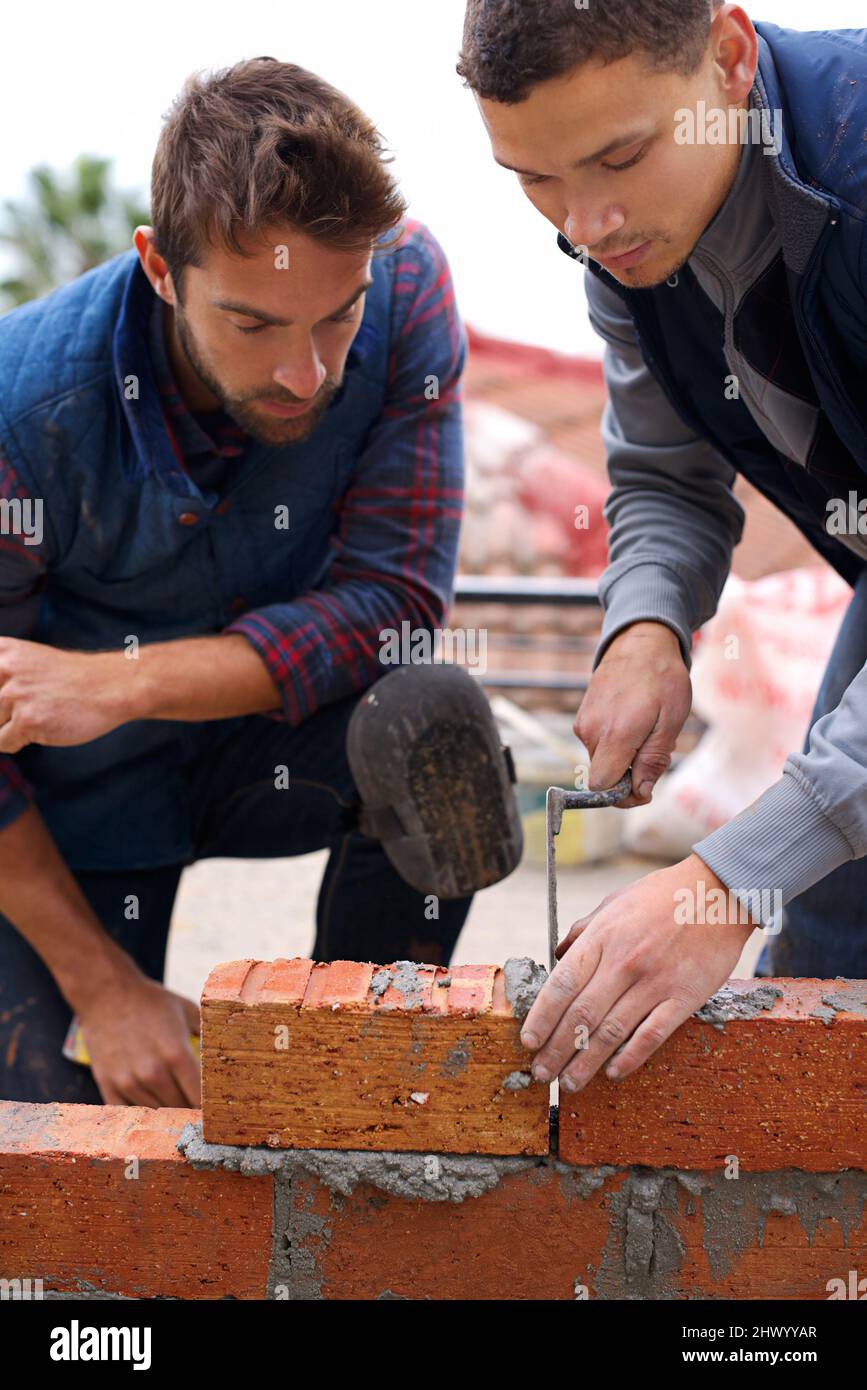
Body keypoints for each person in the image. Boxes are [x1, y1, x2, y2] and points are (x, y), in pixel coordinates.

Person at [0, 57, 473, 1107]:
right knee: (61, 1163)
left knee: (434, 722)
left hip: (262, 741)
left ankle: (358, 1091)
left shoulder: (407, 287)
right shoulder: (16, 408)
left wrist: (119, 683)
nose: (308, 371)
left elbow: (396, 607)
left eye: (336, 315)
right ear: (160, 270)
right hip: (68, 803)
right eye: (254, 323)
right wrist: (105, 989)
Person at [459, 3, 867, 1091]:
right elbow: (664, 477)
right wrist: (646, 625)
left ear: (729, 58)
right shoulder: (633, 241)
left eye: (619, 157)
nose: (584, 222)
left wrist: (721, 888)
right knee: (827, 927)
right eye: (533, 179)